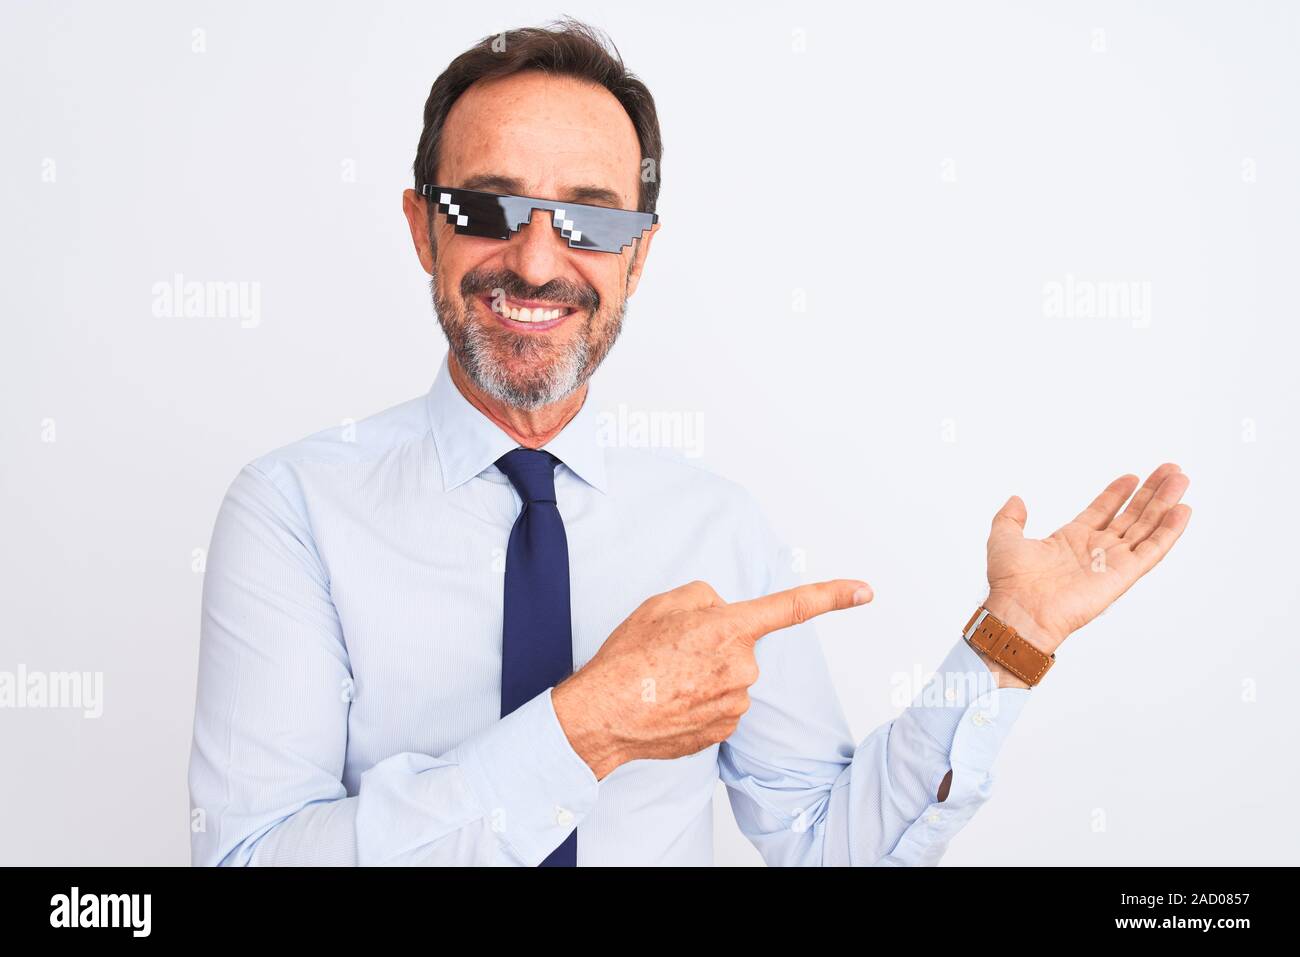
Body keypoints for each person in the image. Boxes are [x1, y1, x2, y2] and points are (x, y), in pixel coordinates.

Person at [187, 19, 1191, 866]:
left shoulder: (712, 524)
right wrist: (586, 727)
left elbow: (819, 841)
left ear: (640, 255)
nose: (538, 261)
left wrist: (1010, 644)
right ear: (423, 230)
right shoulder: (293, 511)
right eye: (490, 208)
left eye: (589, 218)